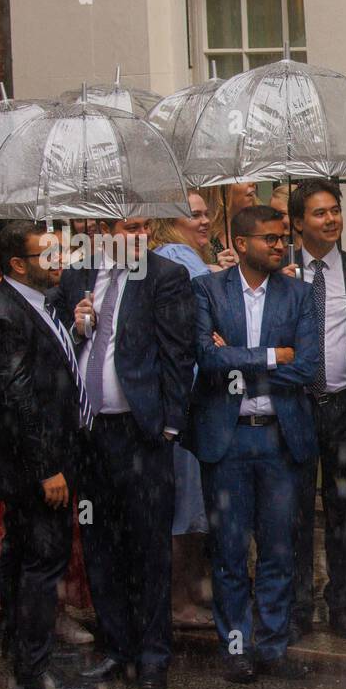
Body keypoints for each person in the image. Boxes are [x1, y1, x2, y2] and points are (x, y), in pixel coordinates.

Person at [53, 215, 196, 689]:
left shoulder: (164, 276)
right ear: (98, 231)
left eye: (137, 226)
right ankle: (118, 646)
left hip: (142, 433)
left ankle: (154, 653)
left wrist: (171, 425)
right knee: (100, 543)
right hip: (91, 435)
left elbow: (178, 354)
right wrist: (77, 329)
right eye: (118, 226)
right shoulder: (76, 275)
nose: (127, 235)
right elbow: (55, 353)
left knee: (149, 544)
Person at [186, 205, 320, 683]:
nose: (279, 246)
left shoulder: (301, 295)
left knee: (279, 549)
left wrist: (235, 358)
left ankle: (273, 645)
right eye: (269, 239)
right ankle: (236, 647)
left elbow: (308, 367)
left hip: (280, 441)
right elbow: (204, 357)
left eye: (281, 238)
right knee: (228, 551)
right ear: (241, 244)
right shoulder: (205, 289)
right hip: (227, 440)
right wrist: (269, 355)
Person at [0, 222, 96, 689]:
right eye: (47, 255)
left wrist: (78, 329)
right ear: (19, 265)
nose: (58, 260)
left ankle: (25, 657)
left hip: (34, 460)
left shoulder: (34, 301)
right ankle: (35, 671)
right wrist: (47, 468)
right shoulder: (5, 313)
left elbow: (48, 368)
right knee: (40, 562)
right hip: (34, 466)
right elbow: (18, 400)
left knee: (23, 556)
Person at [285, 179, 346, 641]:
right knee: (295, 509)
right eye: (319, 213)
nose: (331, 220)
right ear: (298, 223)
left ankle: (345, 601)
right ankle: (297, 602)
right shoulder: (279, 272)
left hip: (345, 405)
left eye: (335, 211)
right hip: (295, 406)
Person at [148, 192, 223, 629]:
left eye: (205, 213)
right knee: (185, 508)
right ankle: (181, 600)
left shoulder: (175, 255)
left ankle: (189, 592)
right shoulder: (178, 256)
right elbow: (209, 309)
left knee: (187, 506)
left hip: (181, 398)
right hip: (188, 400)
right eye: (193, 214)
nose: (205, 220)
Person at [209, 182, 260, 252]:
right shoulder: (207, 237)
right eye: (241, 178)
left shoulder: (263, 226)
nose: (252, 183)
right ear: (224, 188)